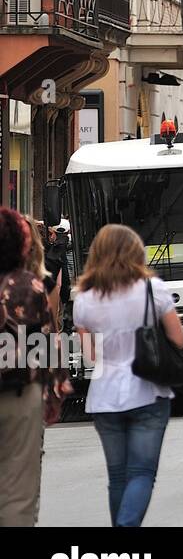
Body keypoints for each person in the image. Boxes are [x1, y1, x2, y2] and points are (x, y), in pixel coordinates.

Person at [71, 225, 182, 526]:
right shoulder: (152, 289)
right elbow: (179, 338)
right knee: (142, 473)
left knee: (117, 476)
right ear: (136, 252)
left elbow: (90, 355)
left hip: (105, 395)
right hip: (148, 390)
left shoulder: (84, 298)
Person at [0, 208, 67, 526]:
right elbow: (47, 342)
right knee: (18, 490)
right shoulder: (28, 286)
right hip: (18, 393)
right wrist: (55, 392)